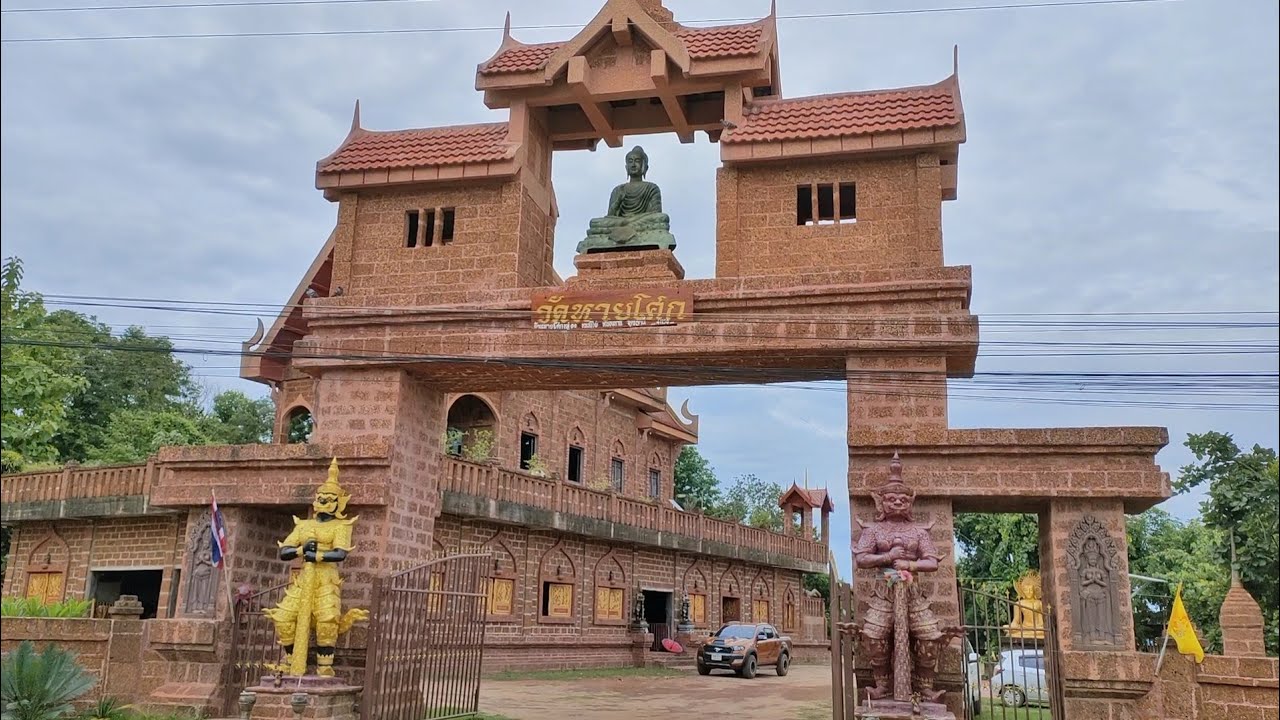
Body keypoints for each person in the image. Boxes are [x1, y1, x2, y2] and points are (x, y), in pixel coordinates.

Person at [578, 146, 676, 253]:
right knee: (595, 223)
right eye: (630, 161)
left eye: (637, 161)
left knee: (662, 218)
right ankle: (627, 230)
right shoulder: (618, 189)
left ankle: (627, 229)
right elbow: (611, 215)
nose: (633, 164)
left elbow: (655, 214)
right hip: (620, 222)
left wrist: (630, 221)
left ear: (644, 166)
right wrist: (617, 202)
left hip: (640, 221)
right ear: (626, 167)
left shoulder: (652, 188)